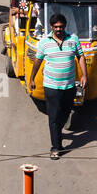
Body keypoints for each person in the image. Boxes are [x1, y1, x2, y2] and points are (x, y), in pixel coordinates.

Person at [26, 12, 87, 159]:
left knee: (65, 114)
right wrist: (32, 79)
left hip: (69, 86)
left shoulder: (73, 39)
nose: (59, 29)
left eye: (61, 26)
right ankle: (56, 147)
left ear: (65, 26)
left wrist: (84, 75)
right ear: (51, 27)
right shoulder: (44, 42)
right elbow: (38, 61)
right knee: (53, 117)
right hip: (51, 87)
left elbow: (81, 57)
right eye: (56, 27)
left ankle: (57, 132)